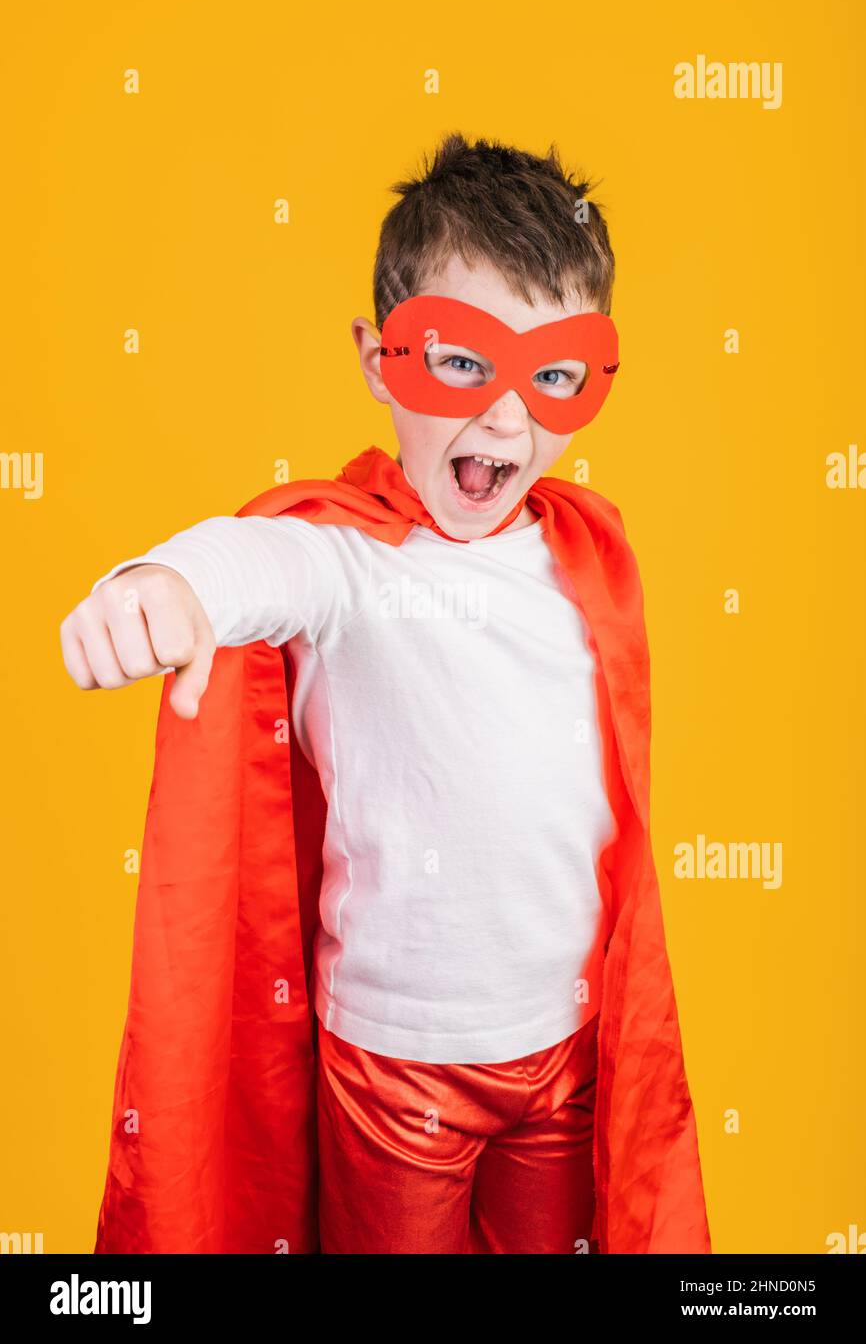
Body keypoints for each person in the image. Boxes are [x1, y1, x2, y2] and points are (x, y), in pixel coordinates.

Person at [60, 132, 711, 1255]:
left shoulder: (586, 556)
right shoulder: (346, 565)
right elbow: (250, 563)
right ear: (377, 359)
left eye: (549, 372)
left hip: (565, 1049)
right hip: (396, 1061)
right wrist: (161, 584)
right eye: (461, 362)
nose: (505, 419)